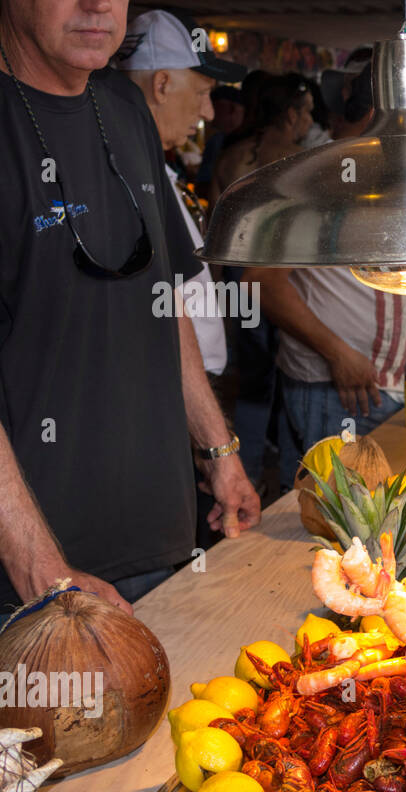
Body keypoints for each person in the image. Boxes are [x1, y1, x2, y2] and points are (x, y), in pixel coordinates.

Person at [0, 0, 260, 613]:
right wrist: (36, 566)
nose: (96, 6)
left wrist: (219, 450)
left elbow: (164, 298)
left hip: (161, 538)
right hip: (35, 579)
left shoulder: (123, 108)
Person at [244, 62, 406, 490]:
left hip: (397, 385)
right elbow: (259, 281)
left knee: (385, 520)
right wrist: (338, 354)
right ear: (379, 114)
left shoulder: (392, 175)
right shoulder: (311, 179)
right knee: (338, 522)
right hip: (339, 389)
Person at [116, 8, 246, 382]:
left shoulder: (153, 170)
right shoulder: (122, 180)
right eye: (203, 93)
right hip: (166, 389)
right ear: (161, 85)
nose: (207, 111)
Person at [212, 73, 314, 198]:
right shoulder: (303, 162)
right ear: (292, 115)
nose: (311, 120)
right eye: (308, 111)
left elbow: (213, 214)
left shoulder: (226, 159)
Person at [193, 84, 242, 199]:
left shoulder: (217, 141)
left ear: (232, 109)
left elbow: (202, 188)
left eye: (214, 108)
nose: (209, 115)